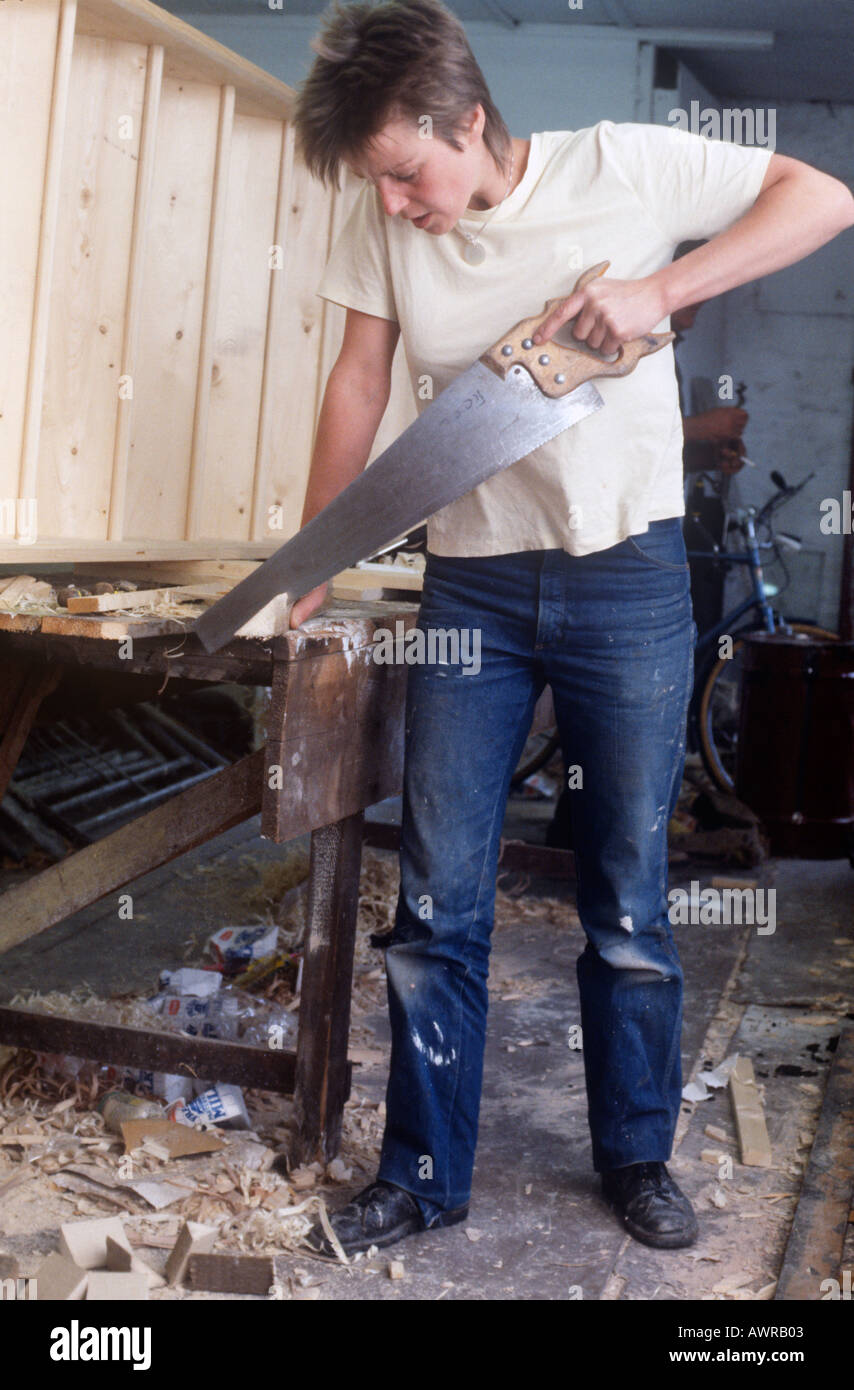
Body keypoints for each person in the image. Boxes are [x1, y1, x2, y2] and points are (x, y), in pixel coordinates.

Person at [289, 0, 854, 1256]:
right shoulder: (382, 221)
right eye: (376, 182)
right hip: (472, 593)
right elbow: (359, 382)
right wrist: (314, 557)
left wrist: (663, 285)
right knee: (437, 902)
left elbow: (821, 195)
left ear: (468, 121)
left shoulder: (626, 163)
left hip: (628, 582)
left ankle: (635, 1157)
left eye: (403, 172)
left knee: (625, 897)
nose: (391, 203)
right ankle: (425, 1171)